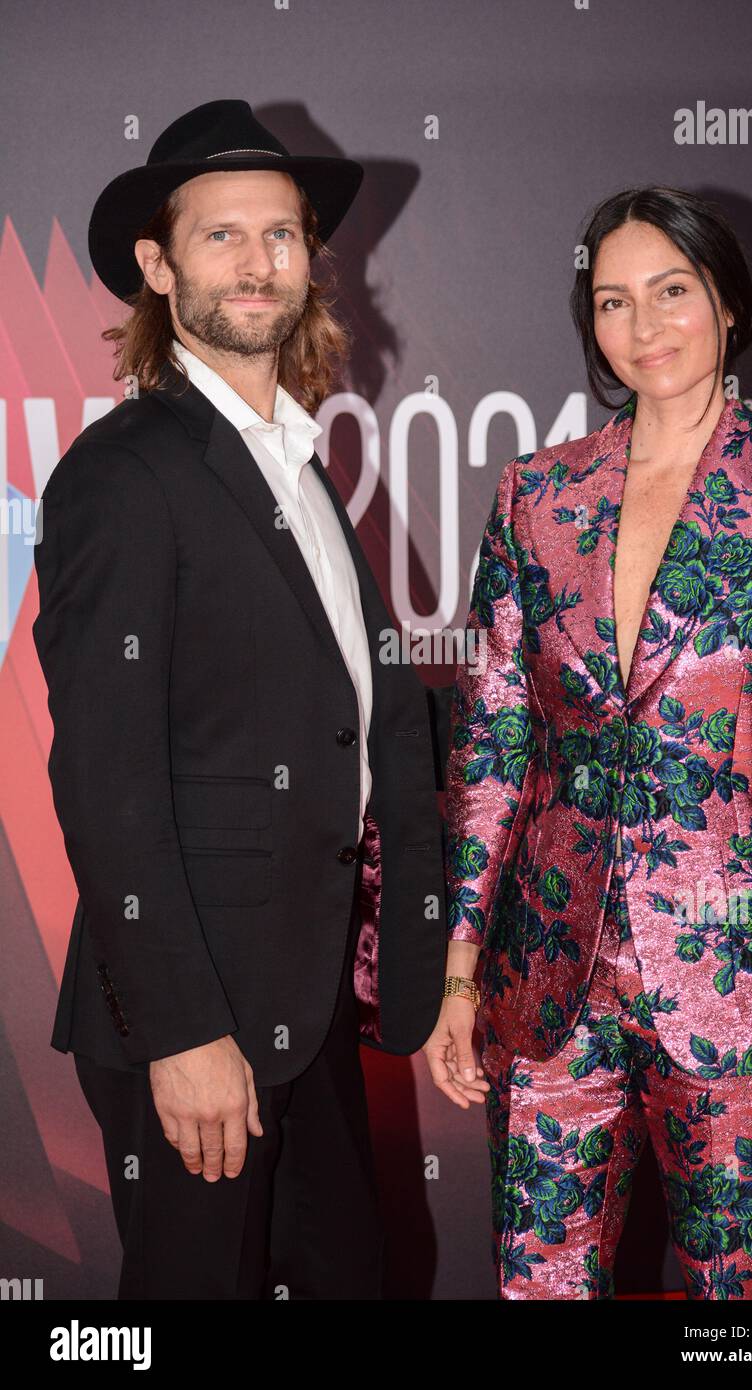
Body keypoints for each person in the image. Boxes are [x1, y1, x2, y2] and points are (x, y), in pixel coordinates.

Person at [33, 99, 446, 1300]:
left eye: (279, 233)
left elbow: (356, 723)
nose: (257, 261)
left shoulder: (299, 462)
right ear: (158, 269)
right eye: (220, 236)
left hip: (300, 1005)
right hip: (197, 1014)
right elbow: (103, 778)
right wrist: (179, 1030)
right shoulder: (124, 473)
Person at [425, 186, 752, 1299]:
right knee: (538, 1286)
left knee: (741, 1299)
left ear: (725, 304)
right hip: (547, 974)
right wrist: (461, 969)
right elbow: (493, 741)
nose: (643, 325)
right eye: (612, 302)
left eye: (670, 291)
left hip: (738, 973)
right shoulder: (536, 494)